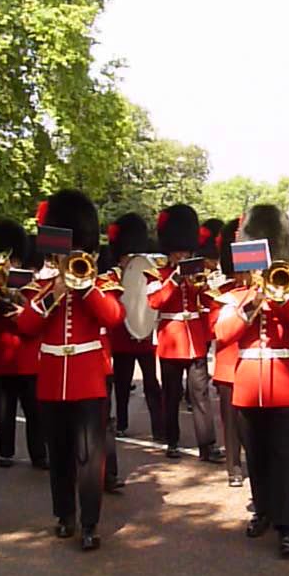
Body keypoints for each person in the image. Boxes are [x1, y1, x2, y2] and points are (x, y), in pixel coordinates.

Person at [17, 189, 125, 551]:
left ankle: (90, 522)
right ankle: (64, 515)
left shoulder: (100, 280)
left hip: (88, 378)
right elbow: (26, 325)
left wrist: (84, 286)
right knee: (60, 454)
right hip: (51, 379)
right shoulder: (42, 283)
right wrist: (56, 290)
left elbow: (113, 317)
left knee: (89, 457)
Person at [214, 204, 289, 558]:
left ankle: (287, 527)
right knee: (256, 458)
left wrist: (281, 298)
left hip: (284, 387)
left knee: (284, 458)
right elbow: (223, 334)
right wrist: (252, 305)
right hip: (246, 386)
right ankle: (263, 510)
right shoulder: (232, 296)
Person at [146, 204, 225, 463]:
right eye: (177, 251)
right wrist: (176, 280)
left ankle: (207, 445)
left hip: (196, 340)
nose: (181, 255)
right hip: (171, 340)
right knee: (171, 394)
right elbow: (155, 302)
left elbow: (207, 300)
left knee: (201, 395)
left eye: (185, 251)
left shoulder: (197, 270)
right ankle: (172, 441)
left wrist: (200, 285)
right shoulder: (157, 273)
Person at [0, 220, 48, 470]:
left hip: (28, 358)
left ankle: (39, 454)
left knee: (35, 412)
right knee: (5, 411)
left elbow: (39, 323)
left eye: (13, 261)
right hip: (2, 358)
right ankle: (6, 452)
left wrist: (22, 311)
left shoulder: (33, 288)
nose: (9, 265)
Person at [107, 213, 165, 441]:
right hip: (122, 337)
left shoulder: (147, 271)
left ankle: (158, 427)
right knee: (121, 384)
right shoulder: (111, 277)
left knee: (152, 384)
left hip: (144, 335)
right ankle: (121, 422)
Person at [208, 218, 248, 487]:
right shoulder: (221, 294)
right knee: (230, 423)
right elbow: (215, 329)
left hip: (257, 366)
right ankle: (233, 465)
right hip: (229, 363)